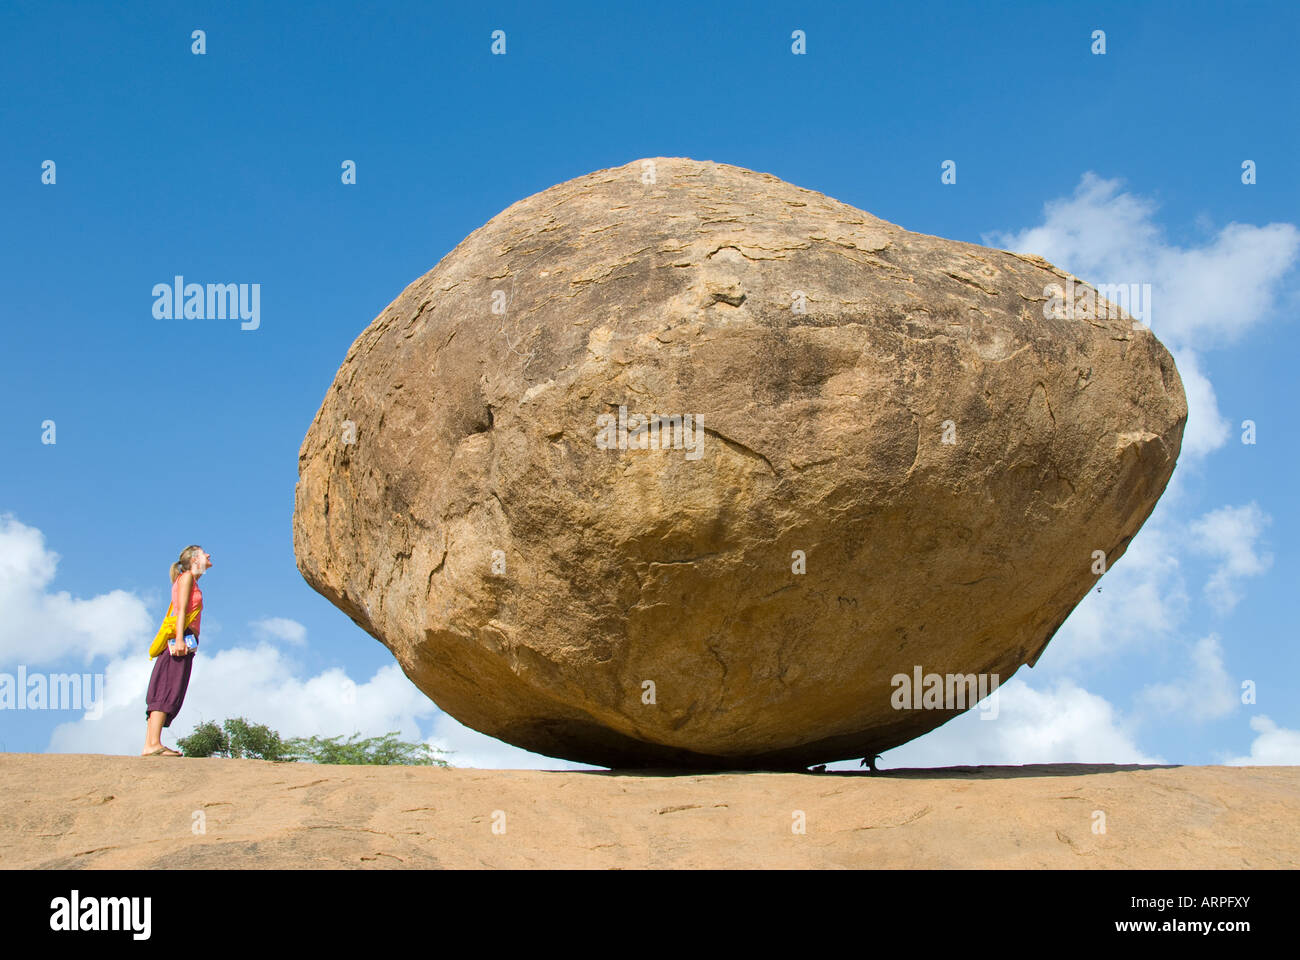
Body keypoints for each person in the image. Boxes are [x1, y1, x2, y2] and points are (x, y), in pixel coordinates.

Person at [141, 545, 214, 757]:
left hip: (184, 643)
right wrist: (180, 639)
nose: (208, 555)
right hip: (178, 643)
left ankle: (152, 743)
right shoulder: (187, 578)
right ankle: (152, 744)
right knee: (165, 690)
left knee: (169, 690)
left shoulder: (189, 579)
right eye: (203, 553)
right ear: (193, 559)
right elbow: (180, 609)